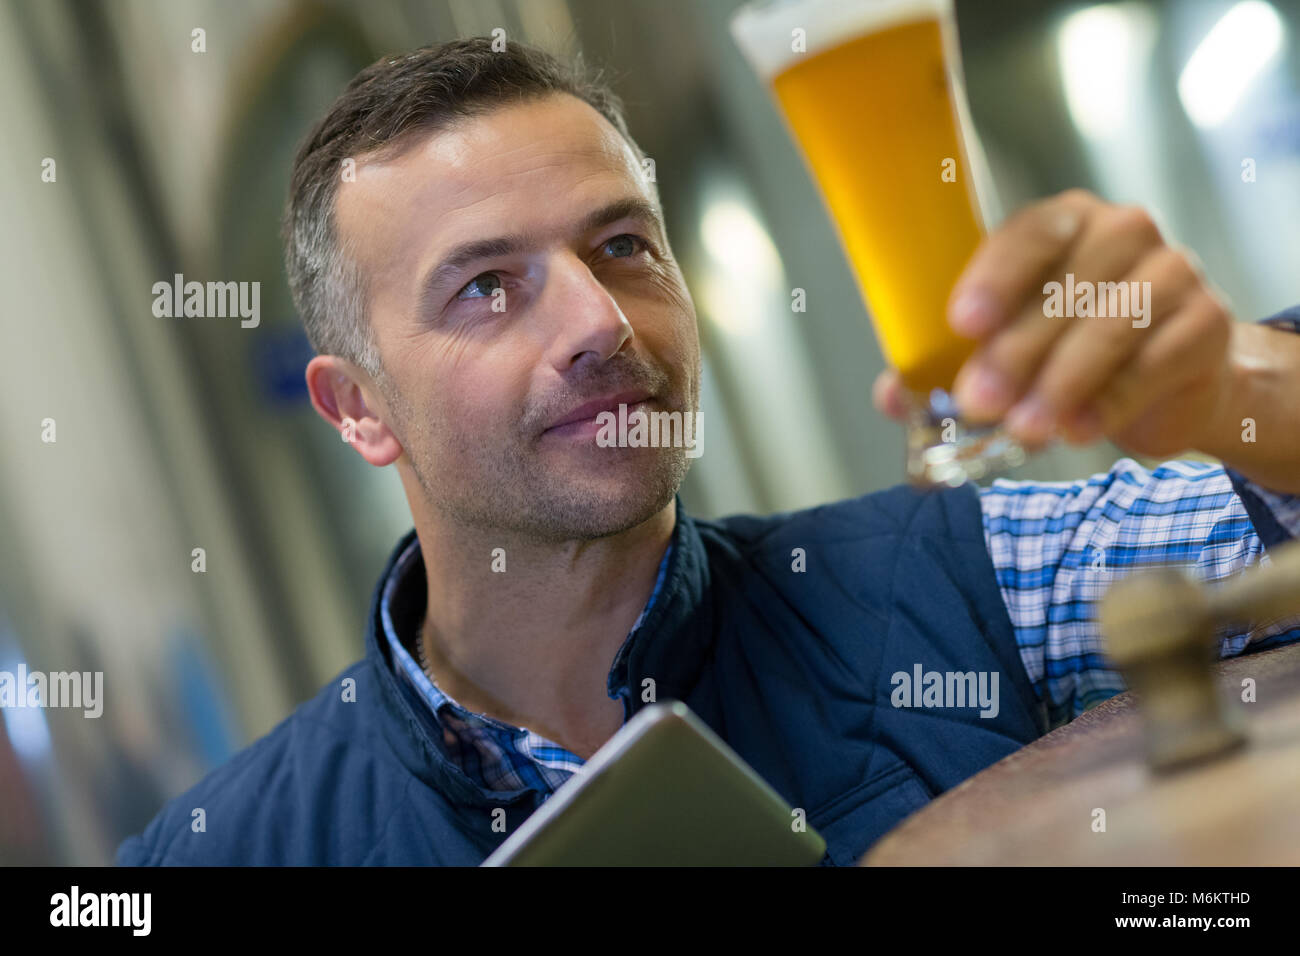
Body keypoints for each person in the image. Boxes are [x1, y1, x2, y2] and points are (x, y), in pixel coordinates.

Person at [117, 36, 1300, 866]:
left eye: (622, 245)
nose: (597, 322)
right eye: (486, 287)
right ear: (356, 408)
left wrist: (1240, 390)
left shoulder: (966, 582)